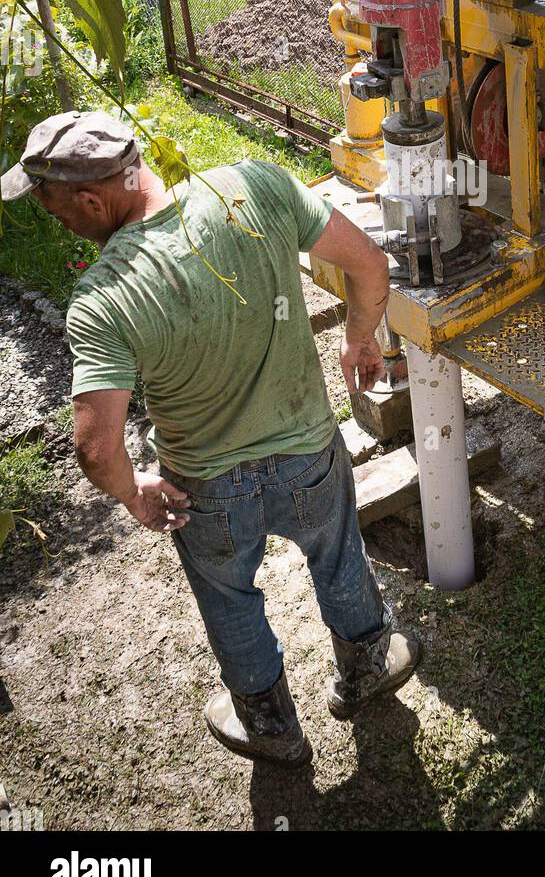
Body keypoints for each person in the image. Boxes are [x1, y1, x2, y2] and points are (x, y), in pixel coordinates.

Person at [1, 109, 421, 766]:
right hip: (309, 451)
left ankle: (272, 727)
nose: (64, 225)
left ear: (89, 199)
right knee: (337, 555)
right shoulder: (255, 185)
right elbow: (368, 262)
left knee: (229, 597)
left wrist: (135, 491)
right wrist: (359, 337)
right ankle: (368, 668)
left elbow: (95, 448)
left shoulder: (102, 300)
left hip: (208, 488)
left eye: (59, 213)